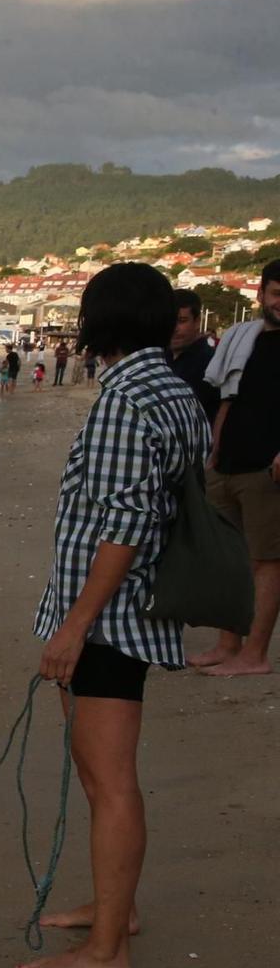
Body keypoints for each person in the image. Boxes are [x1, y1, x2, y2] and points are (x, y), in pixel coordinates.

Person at [19, 263, 209, 968]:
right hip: (130, 605)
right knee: (100, 772)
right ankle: (114, 909)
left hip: (110, 614)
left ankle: (107, 950)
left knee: (110, 774)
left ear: (101, 321)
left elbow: (126, 521)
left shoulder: (128, 397)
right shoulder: (172, 387)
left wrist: (76, 624)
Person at [191, 260, 280, 676]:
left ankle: (254, 655)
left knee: (267, 562)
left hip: (268, 469)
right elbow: (229, 396)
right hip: (227, 462)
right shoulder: (247, 338)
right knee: (230, 557)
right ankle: (228, 645)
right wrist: (214, 450)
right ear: (261, 295)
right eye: (277, 293)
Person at [167, 289, 218, 426]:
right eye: (169, 320)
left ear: (197, 322)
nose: (174, 328)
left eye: (181, 321)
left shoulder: (209, 364)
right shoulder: (161, 358)